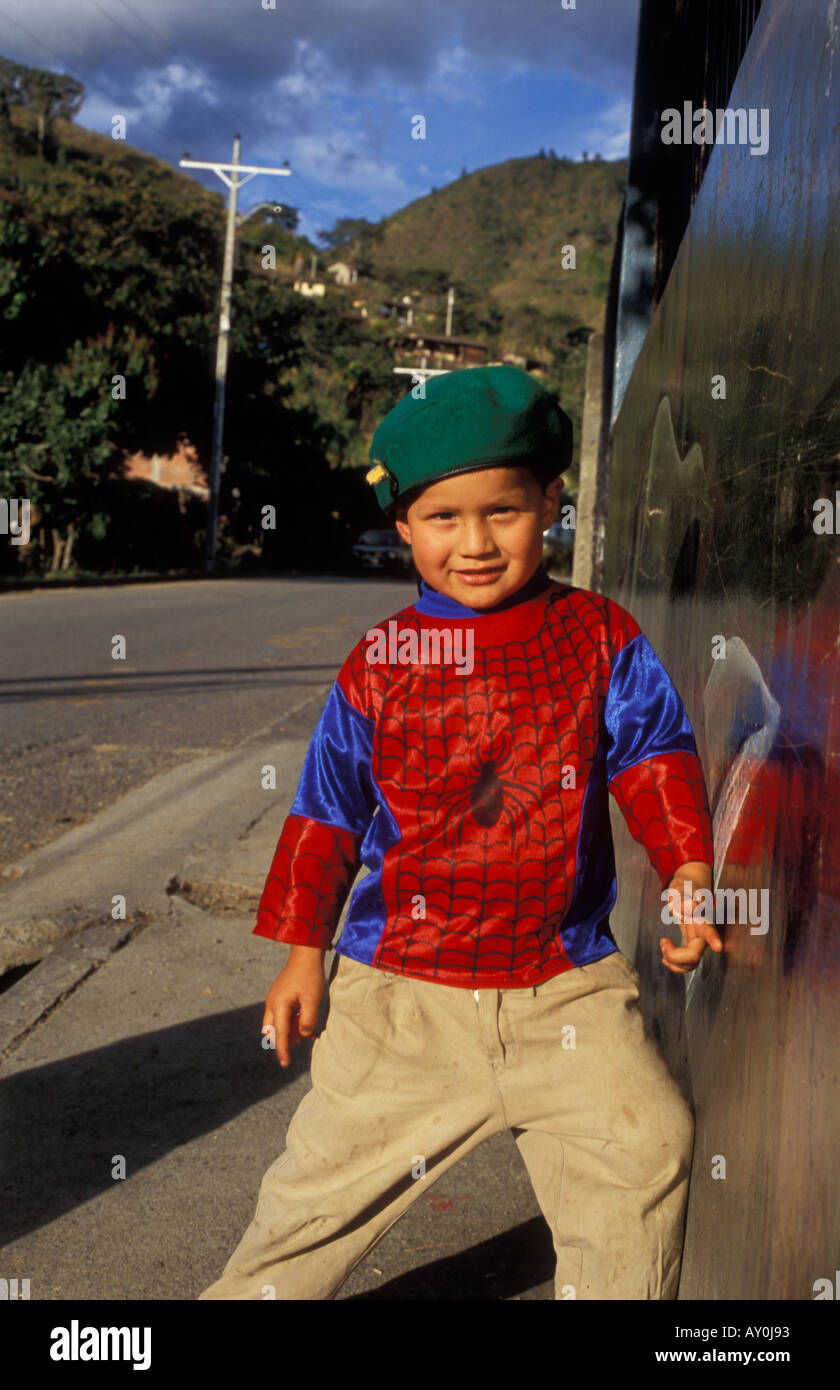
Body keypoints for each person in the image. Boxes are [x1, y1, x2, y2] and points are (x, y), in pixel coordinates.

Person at [198, 365, 719, 1301]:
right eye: (444, 519)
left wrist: (686, 870)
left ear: (550, 503)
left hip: (567, 994)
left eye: (503, 513)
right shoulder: (382, 662)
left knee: (647, 1146)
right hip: (403, 1006)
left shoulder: (600, 636)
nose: (474, 544)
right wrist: (302, 951)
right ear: (403, 524)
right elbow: (328, 809)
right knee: (310, 1213)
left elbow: (653, 756)